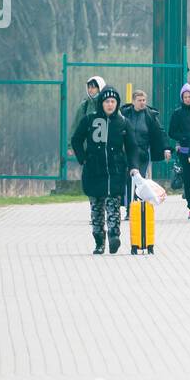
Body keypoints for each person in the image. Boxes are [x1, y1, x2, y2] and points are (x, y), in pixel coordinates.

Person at [71, 85, 136, 255]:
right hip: (94, 171)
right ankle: (99, 241)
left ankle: (114, 236)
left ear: (117, 103)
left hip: (115, 171)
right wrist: (83, 158)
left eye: (113, 101)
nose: (110, 105)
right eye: (107, 101)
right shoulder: (89, 120)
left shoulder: (123, 123)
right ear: (101, 103)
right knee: (97, 209)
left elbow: (132, 147)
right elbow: (76, 139)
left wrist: (133, 167)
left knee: (113, 204)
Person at [120, 88, 169, 211]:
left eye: (144, 100)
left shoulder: (150, 115)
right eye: (139, 100)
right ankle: (128, 208)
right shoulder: (125, 114)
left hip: (142, 153)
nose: (142, 103)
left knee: (139, 180)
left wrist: (166, 148)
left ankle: (137, 207)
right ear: (133, 101)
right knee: (127, 180)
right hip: (127, 152)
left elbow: (160, 132)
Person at [168, 83, 190, 218]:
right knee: (188, 179)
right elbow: (172, 132)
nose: (188, 99)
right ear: (182, 98)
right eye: (185, 97)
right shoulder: (177, 113)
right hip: (185, 151)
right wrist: (184, 137)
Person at [69, 75, 106, 153]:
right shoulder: (84, 105)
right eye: (89, 87)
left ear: (100, 88)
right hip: (88, 148)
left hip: (105, 148)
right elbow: (76, 125)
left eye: (93, 87)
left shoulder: (108, 104)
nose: (90, 90)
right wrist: (70, 145)